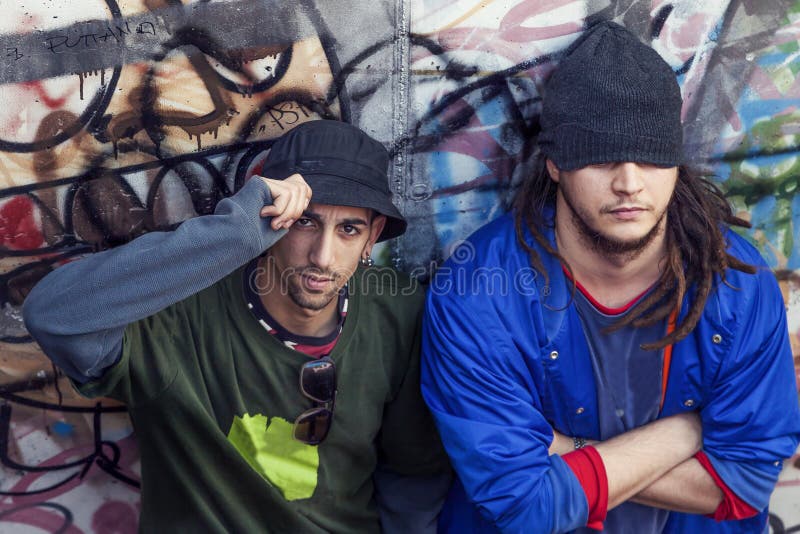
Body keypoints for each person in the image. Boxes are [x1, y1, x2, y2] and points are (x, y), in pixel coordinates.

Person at [420, 20, 800, 534]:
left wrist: (559, 449)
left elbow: (744, 485)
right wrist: (685, 433)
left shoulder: (736, 280)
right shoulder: (478, 289)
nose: (628, 183)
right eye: (599, 156)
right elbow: (527, 506)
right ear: (555, 164)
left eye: (649, 155)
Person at [23, 120, 450, 533]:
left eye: (349, 229)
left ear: (372, 235)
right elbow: (52, 316)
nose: (323, 256)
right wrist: (238, 231)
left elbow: (414, 473)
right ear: (269, 218)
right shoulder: (176, 315)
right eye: (305, 221)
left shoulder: (397, 310)